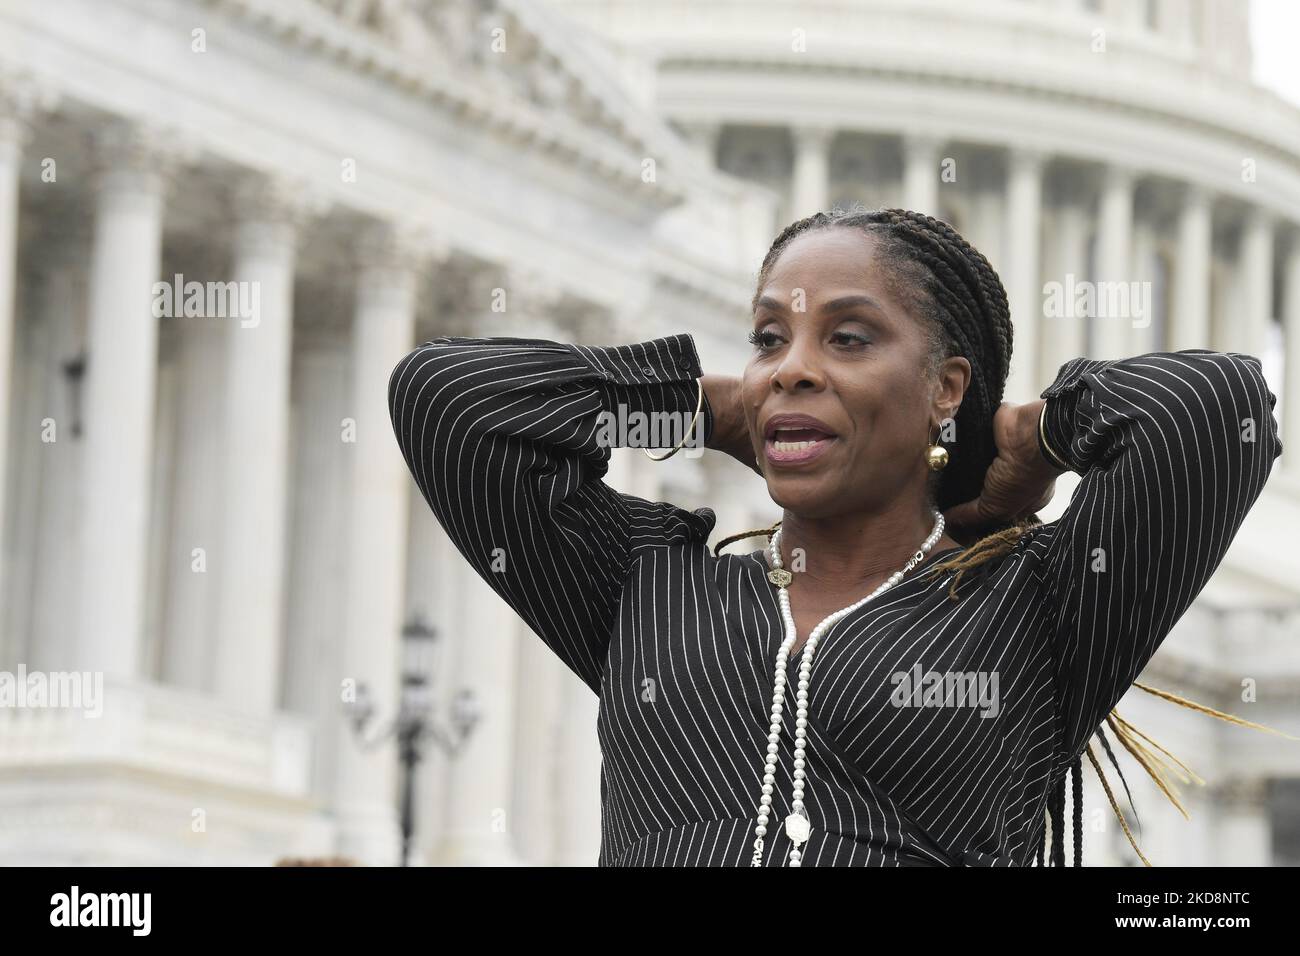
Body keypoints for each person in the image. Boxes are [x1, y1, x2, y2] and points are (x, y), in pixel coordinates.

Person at [388, 207, 1283, 866]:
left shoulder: (1040, 613)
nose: (795, 368)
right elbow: (450, 399)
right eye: (770, 338)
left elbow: (1215, 409)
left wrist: (1024, 445)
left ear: (947, 385)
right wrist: (713, 407)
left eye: (848, 337)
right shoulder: (643, 588)